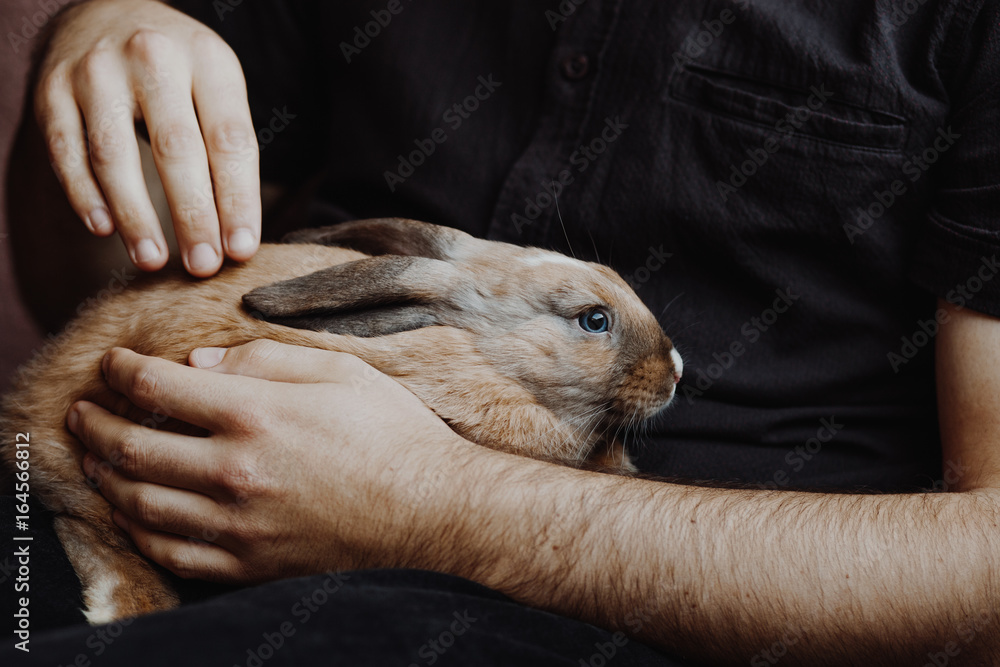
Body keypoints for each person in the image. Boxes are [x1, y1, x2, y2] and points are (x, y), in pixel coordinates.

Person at [4, 0, 999, 663]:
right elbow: (84, 292)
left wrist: (438, 506)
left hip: (655, 613)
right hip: (165, 478)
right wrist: (91, 49)